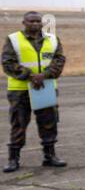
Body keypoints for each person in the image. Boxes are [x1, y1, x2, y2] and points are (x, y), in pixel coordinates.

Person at [3, 11, 66, 172]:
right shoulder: (13, 39)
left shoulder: (52, 39)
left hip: (45, 87)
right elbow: (8, 63)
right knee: (19, 123)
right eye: (31, 21)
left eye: (38, 21)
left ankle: (49, 156)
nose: (35, 24)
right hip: (20, 90)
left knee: (49, 123)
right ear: (24, 22)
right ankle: (13, 158)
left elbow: (59, 60)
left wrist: (44, 75)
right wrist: (30, 76)